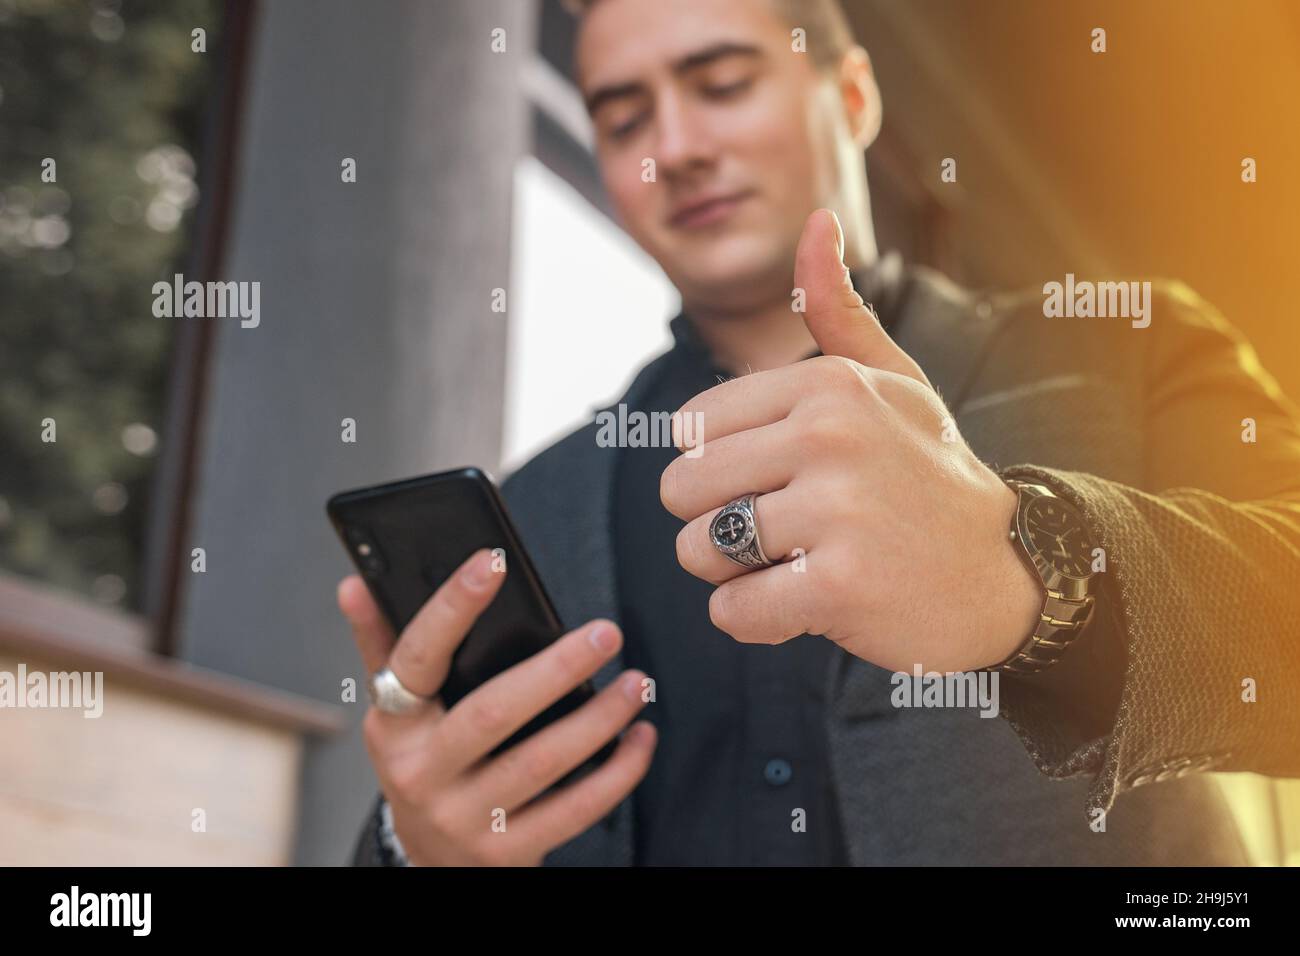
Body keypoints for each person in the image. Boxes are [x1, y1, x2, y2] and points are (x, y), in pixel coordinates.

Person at [338, 0, 1300, 865]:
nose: (674, 147)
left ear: (852, 95)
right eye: (625, 120)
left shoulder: (1130, 347)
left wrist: (1034, 571)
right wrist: (411, 848)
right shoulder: (534, 506)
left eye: (722, 83)